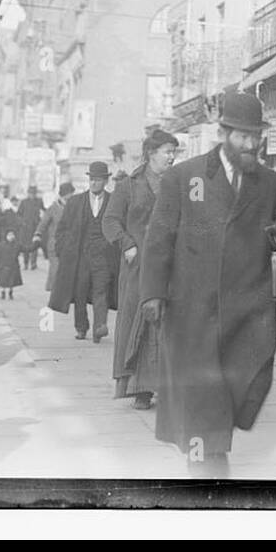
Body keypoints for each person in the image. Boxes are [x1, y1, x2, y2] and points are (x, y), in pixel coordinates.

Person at [140, 92, 276, 478]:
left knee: (241, 387)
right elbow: (159, 237)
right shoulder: (185, 177)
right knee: (204, 403)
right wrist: (153, 293)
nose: (249, 144)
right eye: (241, 136)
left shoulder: (273, 185)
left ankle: (210, 453)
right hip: (192, 308)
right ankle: (209, 470)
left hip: (248, 310)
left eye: (255, 137)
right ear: (224, 132)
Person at [103, 129, 179, 408]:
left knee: (169, 323)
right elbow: (110, 221)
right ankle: (140, 390)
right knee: (139, 320)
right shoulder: (129, 185)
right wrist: (127, 244)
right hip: (138, 268)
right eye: (167, 152)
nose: (172, 157)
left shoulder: (178, 183)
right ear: (151, 153)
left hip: (171, 266)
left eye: (174, 152)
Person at [48, 162, 119, 341]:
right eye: (92, 179)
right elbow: (62, 229)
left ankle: (99, 327)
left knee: (101, 291)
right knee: (80, 294)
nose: (94, 183)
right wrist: (63, 250)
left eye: (98, 180)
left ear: (106, 181)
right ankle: (81, 327)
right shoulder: (75, 202)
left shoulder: (113, 201)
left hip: (104, 258)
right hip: (80, 257)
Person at [36, 182, 73, 293]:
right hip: (54, 243)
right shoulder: (53, 208)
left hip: (69, 243)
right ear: (64, 194)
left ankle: (64, 291)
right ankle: (54, 290)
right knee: (55, 268)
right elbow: (43, 223)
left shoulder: (72, 207)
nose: (71, 196)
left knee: (66, 268)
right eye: (70, 194)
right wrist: (37, 234)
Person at [0, 228, 23, 300]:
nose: (11, 236)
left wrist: (36, 244)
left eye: (12, 235)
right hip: (3, 266)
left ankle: (10, 292)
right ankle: (3, 292)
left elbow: (26, 249)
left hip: (13, 266)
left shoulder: (17, 245)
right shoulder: (0, 246)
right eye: (9, 235)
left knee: (12, 281)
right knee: (3, 281)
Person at [17, 186, 44, 270]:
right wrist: (22, 223)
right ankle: (25, 263)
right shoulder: (24, 202)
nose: (32, 195)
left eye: (33, 193)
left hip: (35, 226)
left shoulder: (39, 201)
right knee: (26, 246)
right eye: (30, 193)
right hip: (25, 228)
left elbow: (44, 210)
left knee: (35, 244)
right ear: (28, 193)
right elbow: (19, 214)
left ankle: (33, 263)